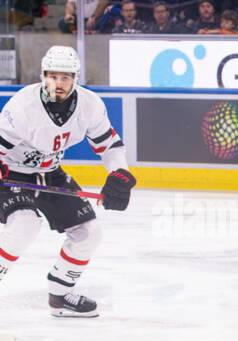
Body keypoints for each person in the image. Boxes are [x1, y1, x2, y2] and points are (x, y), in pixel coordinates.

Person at [0, 48, 136, 319]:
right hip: (12, 174)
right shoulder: (23, 106)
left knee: (90, 232)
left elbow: (109, 146)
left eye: (65, 77)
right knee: (24, 226)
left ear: (75, 78)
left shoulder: (90, 105)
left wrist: (118, 174)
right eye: (52, 77)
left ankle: (60, 296)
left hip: (50, 172)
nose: (58, 84)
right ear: (43, 77)